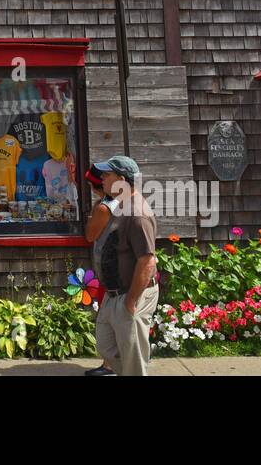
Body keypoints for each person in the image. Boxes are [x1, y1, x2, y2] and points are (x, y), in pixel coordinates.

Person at [91, 155, 159, 377]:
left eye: (106, 174)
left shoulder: (138, 214)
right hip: (114, 294)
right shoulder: (119, 205)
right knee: (106, 344)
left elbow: (147, 261)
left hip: (130, 294)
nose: (101, 178)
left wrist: (131, 300)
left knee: (133, 360)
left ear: (121, 179)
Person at [82, 164, 116, 377]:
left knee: (109, 316)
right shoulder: (121, 202)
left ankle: (110, 365)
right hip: (114, 265)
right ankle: (110, 363)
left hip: (109, 266)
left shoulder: (104, 207)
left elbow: (90, 234)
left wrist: (93, 214)